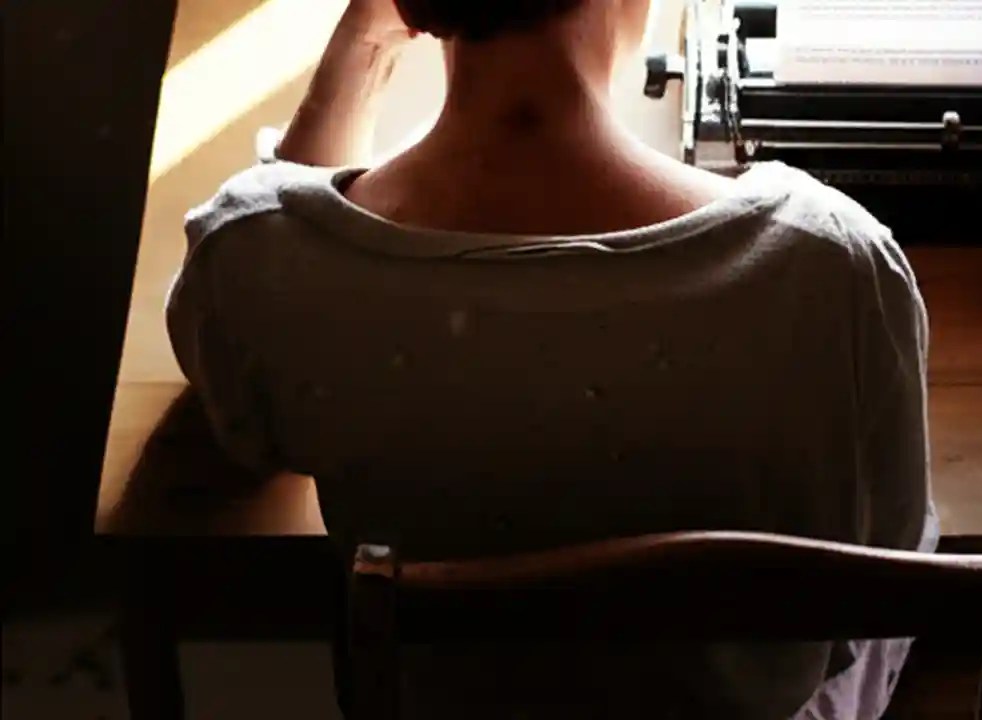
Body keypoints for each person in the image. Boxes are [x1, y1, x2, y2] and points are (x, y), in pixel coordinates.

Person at [166, 0, 938, 717]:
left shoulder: (258, 267)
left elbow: (246, 361)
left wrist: (361, 54)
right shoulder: (836, 269)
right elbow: (886, 575)